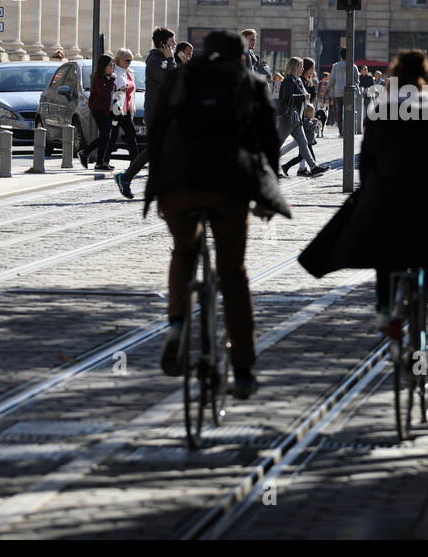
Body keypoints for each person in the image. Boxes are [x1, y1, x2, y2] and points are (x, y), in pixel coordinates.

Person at [299, 49, 428, 417]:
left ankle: (386, 310)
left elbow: (366, 165)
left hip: (389, 208)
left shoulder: (380, 113)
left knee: (385, 244)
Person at [145, 29, 290, 399]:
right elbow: (268, 146)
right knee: (233, 273)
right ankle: (242, 370)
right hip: (230, 185)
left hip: (181, 182)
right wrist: (267, 197)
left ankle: (177, 324)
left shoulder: (181, 76)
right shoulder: (252, 83)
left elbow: (158, 131)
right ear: (242, 56)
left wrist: (161, 190)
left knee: (184, 249)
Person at [116, 28, 175, 199]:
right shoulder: (154, 60)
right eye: (171, 42)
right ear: (163, 44)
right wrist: (171, 60)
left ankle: (130, 179)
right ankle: (126, 178)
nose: (174, 45)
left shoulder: (164, 59)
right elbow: (167, 80)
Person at [277, 57, 324, 176]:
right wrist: (303, 96)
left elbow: (306, 96)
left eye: (303, 66)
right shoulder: (289, 80)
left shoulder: (296, 80)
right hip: (288, 118)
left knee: (303, 144)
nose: (302, 68)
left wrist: (308, 90)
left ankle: (314, 167)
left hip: (296, 118)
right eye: (300, 66)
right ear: (294, 67)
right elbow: (287, 97)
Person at [105, 48, 139, 168]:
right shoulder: (116, 72)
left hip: (126, 106)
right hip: (117, 106)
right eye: (127, 60)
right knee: (113, 135)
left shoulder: (128, 71)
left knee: (130, 133)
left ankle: (135, 161)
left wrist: (132, 106)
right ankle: (102, 159)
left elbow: (131, 91)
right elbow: (118, 90)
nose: (129, 63)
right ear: (119, 60)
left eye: (131, 60)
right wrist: (117, 109)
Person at [329, 48, 350, 132]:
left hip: (337, 93)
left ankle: (340, 131)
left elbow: (331, 80)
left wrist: (330, 91)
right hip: (349, 94)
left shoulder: (335, 66)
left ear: (340, 55)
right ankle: (347, 130)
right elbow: (356, 80)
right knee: (348, 111)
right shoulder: (352, 66)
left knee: (339, 112)